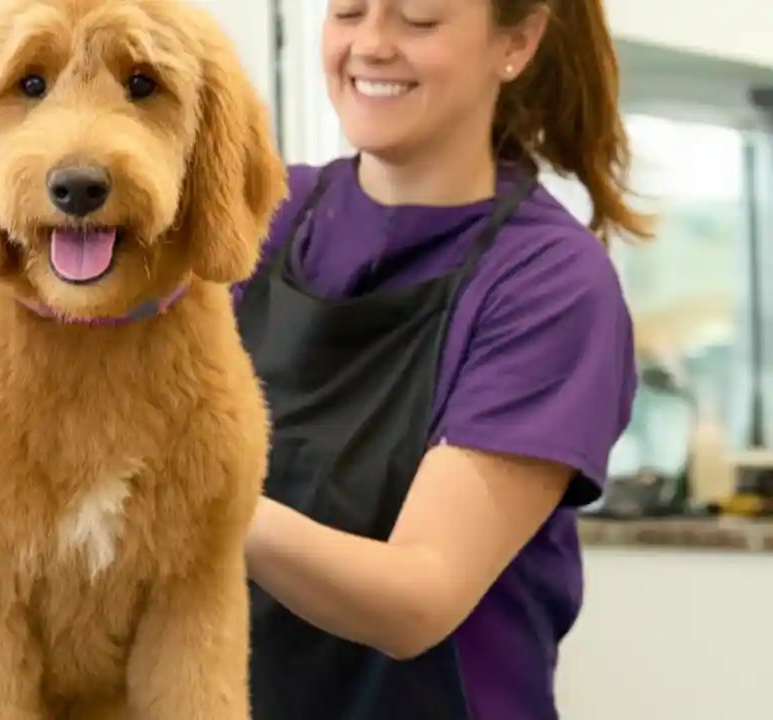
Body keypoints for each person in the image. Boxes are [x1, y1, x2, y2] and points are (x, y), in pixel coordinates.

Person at [234, 0, 650, 718]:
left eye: (418, 19)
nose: (370, 44)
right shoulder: (256, 214)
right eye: (348, 11)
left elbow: (418, 598)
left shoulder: (549, 283)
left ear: (516, 41)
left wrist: (191, 502)